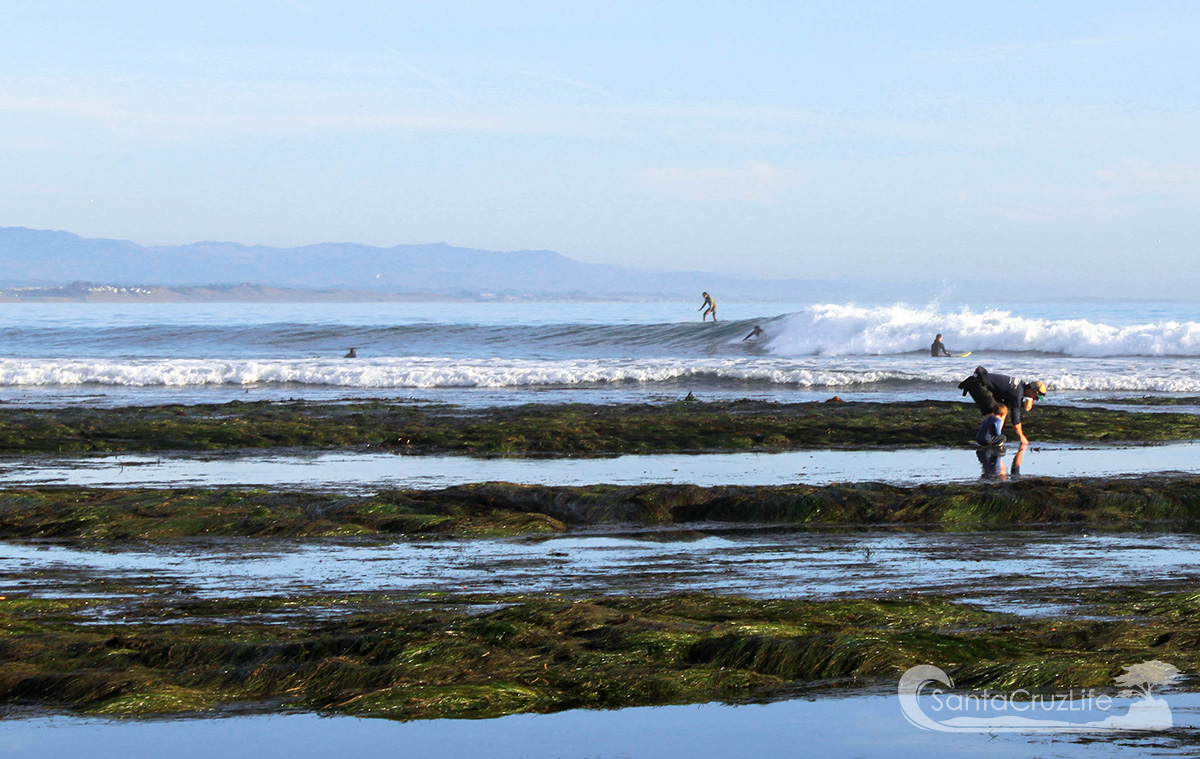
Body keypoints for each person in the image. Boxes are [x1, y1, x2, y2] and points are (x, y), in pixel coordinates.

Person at [977, 369, 1048, 446]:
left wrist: (1021, 404)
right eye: (1036, 396)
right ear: (1031, 390)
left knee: (1001, 410)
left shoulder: (1020, 386)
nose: (1036, 399)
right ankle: (986, 439)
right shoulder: (1017, 394)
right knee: (995, 411)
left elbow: (1009, 401)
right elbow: (1015, 421)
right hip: (978, 384)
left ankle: (988, 437)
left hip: (981, 382)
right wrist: (1022, 437)